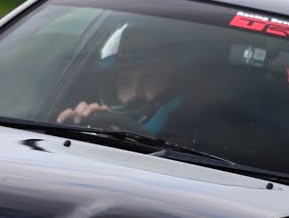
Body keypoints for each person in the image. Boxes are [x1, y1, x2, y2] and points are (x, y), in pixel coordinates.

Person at [55, 21, 190, 135]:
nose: (135, 94)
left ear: (173, 86)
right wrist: (82, 129)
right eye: (125, 83)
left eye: (149, 80)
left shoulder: (195, 139)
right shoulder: (100, 118)